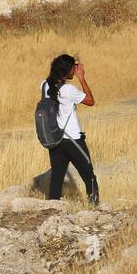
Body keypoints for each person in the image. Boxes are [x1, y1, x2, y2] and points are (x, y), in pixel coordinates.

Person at [40, 53, 99, 205]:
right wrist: (81, 77)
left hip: (55, 138)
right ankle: (95, 209)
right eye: (73, 67)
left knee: (57, 178)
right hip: (72, 139)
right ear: (67, 71)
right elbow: (90, 101)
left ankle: (53, 210)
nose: (75, 69)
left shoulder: (44, 85)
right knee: (89, 176)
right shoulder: (68, 89)